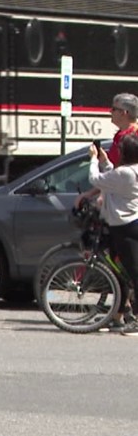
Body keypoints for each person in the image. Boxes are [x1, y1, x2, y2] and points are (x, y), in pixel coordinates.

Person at [88, 134, 138, 335]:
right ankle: (119, 313)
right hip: (127, 224)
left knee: (135, 273)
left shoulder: (126, 172)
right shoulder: (129, 172)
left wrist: (92, 159)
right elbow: (112, 177)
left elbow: (96, 179)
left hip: (125, 227)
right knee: (123, 271)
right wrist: (104, 160)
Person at [77, 93, 138, 209]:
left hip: (127, 206)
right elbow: (115, 172)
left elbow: (123, 176)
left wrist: (101, 194)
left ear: (124, 113)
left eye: (114, 109)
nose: (110, 111)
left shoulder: (133, 138)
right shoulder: (120, 136)